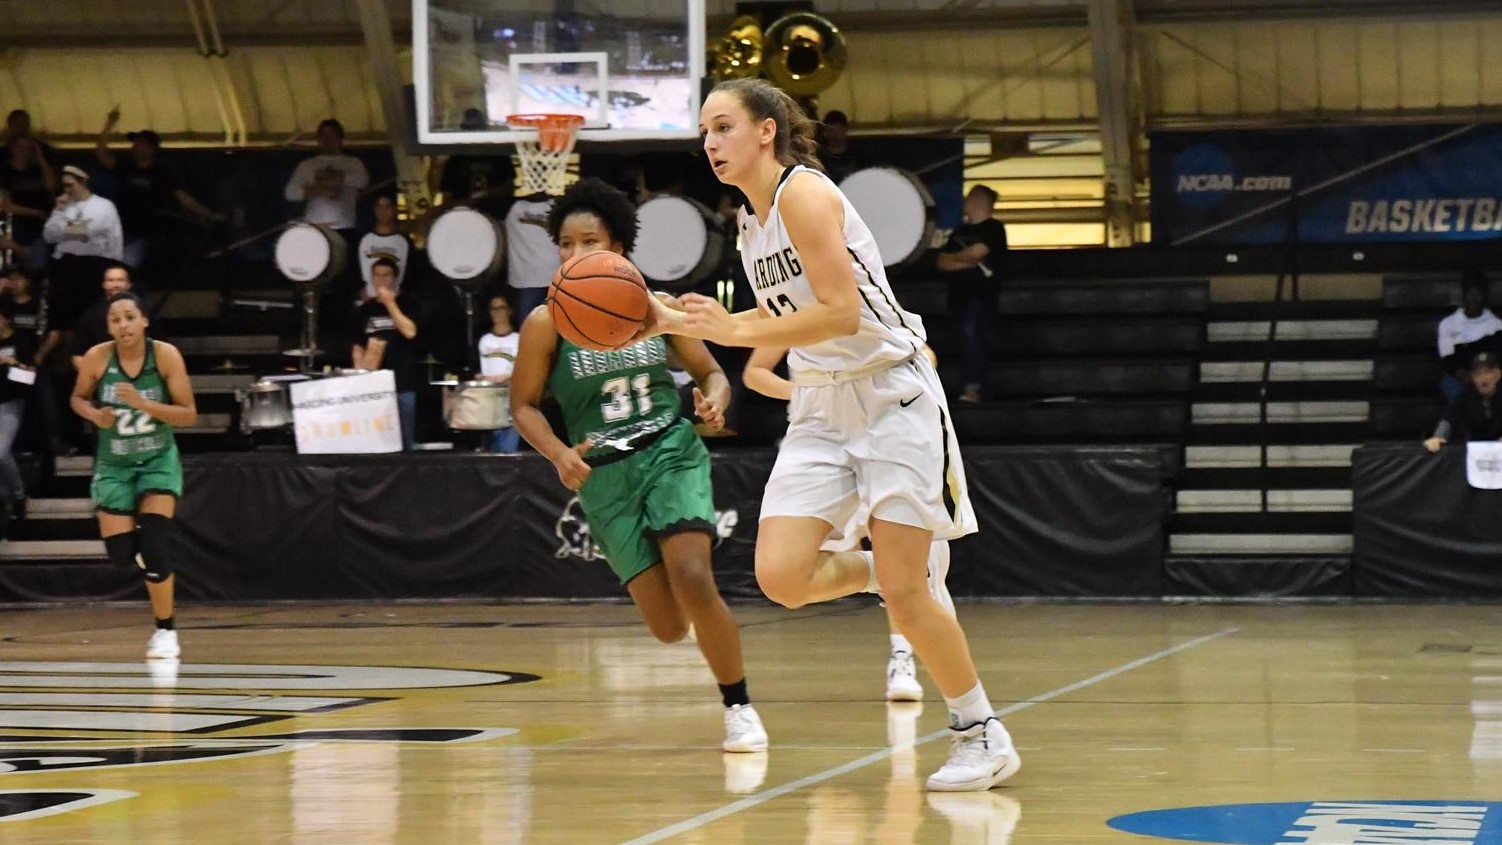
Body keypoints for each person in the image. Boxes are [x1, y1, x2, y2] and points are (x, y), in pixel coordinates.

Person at [647, 78, 1016, 791]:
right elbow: (773, 323)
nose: (709, 142)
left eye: (722, 126)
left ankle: (981, 731)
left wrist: (728, 328)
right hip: (820, 403)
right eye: (703, 131)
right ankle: (888, 572)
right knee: (781, 575)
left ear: (765, 130)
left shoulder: (805, 194)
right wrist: (686, 323)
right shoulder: (751, 223)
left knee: (912, 598)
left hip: (890, 393)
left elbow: (842, 313)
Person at [509, 177, 768, 754]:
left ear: (619, 249)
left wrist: (712, 403)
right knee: (670, 627)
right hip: (603, 476)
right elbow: (522, 406)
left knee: (695, 578)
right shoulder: (545, 324)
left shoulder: (659, 306)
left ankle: (739, 707)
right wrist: (556, 453)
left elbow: (713, 374)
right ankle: (722, 676)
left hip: (668, 450)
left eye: (590, 243)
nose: (575, 255)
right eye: (566, 244)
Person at [742, 344, 955, 702]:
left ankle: (902, 656)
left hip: (881, 429)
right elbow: (754, 373)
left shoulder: (862, 307)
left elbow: (926, 356)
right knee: (805, 569)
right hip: (820, 435)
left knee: (888, 541)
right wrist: (807, 389)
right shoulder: (790, 305)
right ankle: (902, 580)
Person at [69, 291, 197, 659]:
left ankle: (166, 631)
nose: (123, 325)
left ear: (144, 321)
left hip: (156, 459)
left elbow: (188, 414)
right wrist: (94, 415)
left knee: (155, 544)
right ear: (109, 327)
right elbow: (77, 398)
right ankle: (151, 563)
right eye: (115, 319)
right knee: (121, 556)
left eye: (129, 317)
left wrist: (145, 404)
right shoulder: (97, 357)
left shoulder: (165, 355)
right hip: (115, 465)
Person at [94, 110, 220, 273]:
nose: (135, 147)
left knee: (127, 266)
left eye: (140, 143)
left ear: (152, 149)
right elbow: (100, 153)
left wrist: (208, 214)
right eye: (135, 143)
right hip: (119, 229)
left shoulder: (161, 173)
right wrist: (109, 124)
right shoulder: (125, 167)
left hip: (144, 232)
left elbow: (183, 198)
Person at [936, 185, 1007, 403]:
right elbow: (942, 262)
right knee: (964, 339)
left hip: (981, 297)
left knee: (972, 334)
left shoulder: (994, 229)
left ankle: (973, 388)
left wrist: (957, 259)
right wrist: (967, 262)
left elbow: (977, 253)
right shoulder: (959, 232)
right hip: (957, 298)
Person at [43, 166, 123, 334]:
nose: (67, 189)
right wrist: (59, 211)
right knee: (63, 318)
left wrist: (64, 230)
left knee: (90, 315)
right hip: (65, 263)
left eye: (71, 185)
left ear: (83, 182)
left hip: (93, 264)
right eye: (64, 186)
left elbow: (87, 231)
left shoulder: (103, 206)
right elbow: (49, 235)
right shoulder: (64, 207)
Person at [351, 257, 420, 450]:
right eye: (377, 275)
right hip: (373, 387)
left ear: (395, 279)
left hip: (402, 384)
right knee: (375, 442)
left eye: (386, 275)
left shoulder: (407, 303)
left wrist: (390, 303)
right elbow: (357, 344)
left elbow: (410, 331)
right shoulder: (365, 310)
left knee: (404, 441)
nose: (381, 279)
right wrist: (359, 368)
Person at [1437, 272, 1501, 405]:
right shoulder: (1448, 324)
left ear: (1485, 296)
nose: (1474, 298)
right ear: (1463, 295)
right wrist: (1465, 375)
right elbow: (1448, 359)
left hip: (1488, 376)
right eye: (1470, 293)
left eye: (1478, 294)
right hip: (1461, 376)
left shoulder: (1496, 325)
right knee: (1449, 385)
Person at [0, 297, 37, 524]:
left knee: (1, 452)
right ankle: (7, 497)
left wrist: (11, 363)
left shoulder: (20, 341)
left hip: (11, 402)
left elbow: (30, 377)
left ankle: (20, 494)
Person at [0, 134, 58, 275]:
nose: (24, 151)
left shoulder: (36, 170)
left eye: (28, 148)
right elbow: (5, 205)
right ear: (13, 149)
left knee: (38, 268)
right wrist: (36, 212)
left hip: (39, 229)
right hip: (15, 227)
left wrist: (40, 158)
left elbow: (51, 185)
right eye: (20, 147)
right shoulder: (5, 172)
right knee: (17, 270)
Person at [1425, 351, 1502, 452]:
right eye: (1478, 374)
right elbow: (1448, 419)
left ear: (1498, 374)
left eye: (1487, 372)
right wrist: (1438, 437)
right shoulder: (1465, 396)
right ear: (1473, 378)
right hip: (1472, 451)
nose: (1483, 378)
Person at [476, 292, 520, 453]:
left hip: (511, 400)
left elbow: (524, 369)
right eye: (493, 309)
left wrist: (506, 377)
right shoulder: (484, 340)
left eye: (501, 308)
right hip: (490, 402)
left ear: (509, 311)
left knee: (509, 450)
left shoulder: (518, 339)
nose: (497, 312)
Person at [504, 190, 556, 319]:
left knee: (561, 329)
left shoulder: (558, 205)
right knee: (529, 331)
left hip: (557, 280)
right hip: (526, 282)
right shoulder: (514, 207)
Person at [357, 193, 412, 301]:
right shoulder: (365, 239)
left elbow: (409, 272)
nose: (383, 211)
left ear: (394, 209)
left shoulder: (403, 241)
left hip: (396, 299)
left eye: (387, 207)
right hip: (369, 298)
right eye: (379, 207)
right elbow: (357, 270)